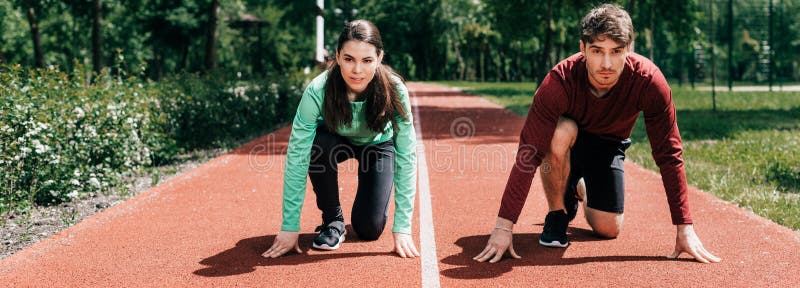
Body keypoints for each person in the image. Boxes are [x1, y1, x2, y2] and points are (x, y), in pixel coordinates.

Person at [474, 4, 721, 264]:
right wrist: (504, 227)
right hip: (566, 142)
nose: (606, 64)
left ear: (629, 49)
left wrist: (685, 227)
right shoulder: (559, 82)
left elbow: (669, 154)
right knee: (558, 132)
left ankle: (580, 187)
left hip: (609, 145)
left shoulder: (649, 82)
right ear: (583, 49)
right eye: (597, 51)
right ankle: (558, 213)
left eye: (616, 52)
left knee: (609, 229)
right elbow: (530, 151)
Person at [262, 20, 419, 259]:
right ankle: (332, 221)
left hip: (377, 145)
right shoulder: (318, 90)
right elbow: (297, 155)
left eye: (367, 60)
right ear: (336, 56)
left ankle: (362, 218)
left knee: (369, 229)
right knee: (318, 145)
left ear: (379, 57)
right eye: (349, 59)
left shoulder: (395, 90)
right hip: (334, 141)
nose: (357, 70)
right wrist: (289, 225)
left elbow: (407, 155)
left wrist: (403, 228)